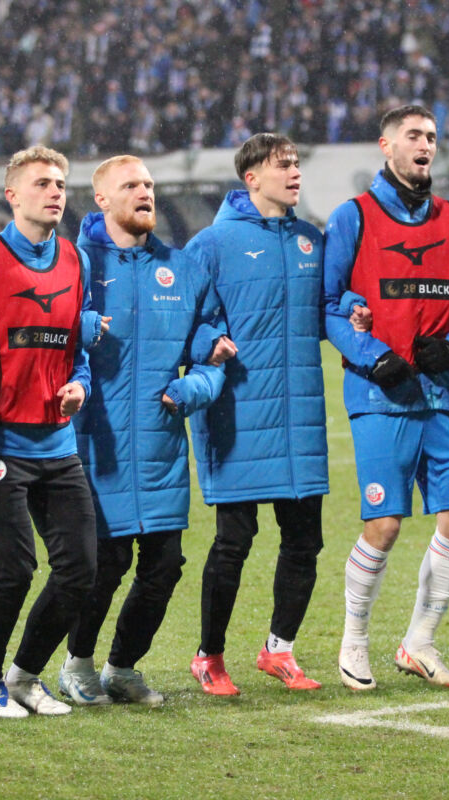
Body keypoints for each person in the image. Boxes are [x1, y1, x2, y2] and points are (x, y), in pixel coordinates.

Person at [324, 104, 449, 691]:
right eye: (414, 136)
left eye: (432, 137)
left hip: (442, 396)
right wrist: (373, 357)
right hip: (380, 394)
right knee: (385, 524)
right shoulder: (353, 217)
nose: (425, 145)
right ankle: (354, 641)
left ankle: (419, 642)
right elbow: (329, 307)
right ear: (387, 145)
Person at [57, 155, 228, 707]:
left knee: (164, 566)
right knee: (102, 567)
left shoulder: (183, 269)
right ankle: (77, 664)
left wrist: (189, 389)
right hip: (94, 443)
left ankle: (122, 667)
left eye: (149, 184)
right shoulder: (76, 265)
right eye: (130, 184)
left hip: (159, 443)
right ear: (102, 199)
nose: (144, 192)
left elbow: (213, 354)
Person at [0, 145, 103, 718]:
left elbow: (76, 349)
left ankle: (24, 676)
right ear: (12, 195)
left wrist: (80, 386)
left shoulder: (76, 260)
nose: (54, 192)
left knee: (82, 569)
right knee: (16, 568)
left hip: (57, 441)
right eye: (42, 183)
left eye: (60, 184)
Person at [185, 133, 328, 696]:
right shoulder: (212, 244)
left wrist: (353, 314)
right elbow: (187, 319)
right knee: (233, 543)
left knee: (305, 541)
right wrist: (210, 341)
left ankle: (279, 649)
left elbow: (328, 307)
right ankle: (209, 656)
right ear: (251, 178)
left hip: (300, 416)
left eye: (296, 163)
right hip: (239, 414)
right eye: (282, 165)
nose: (294, 173)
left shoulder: (311, 239)